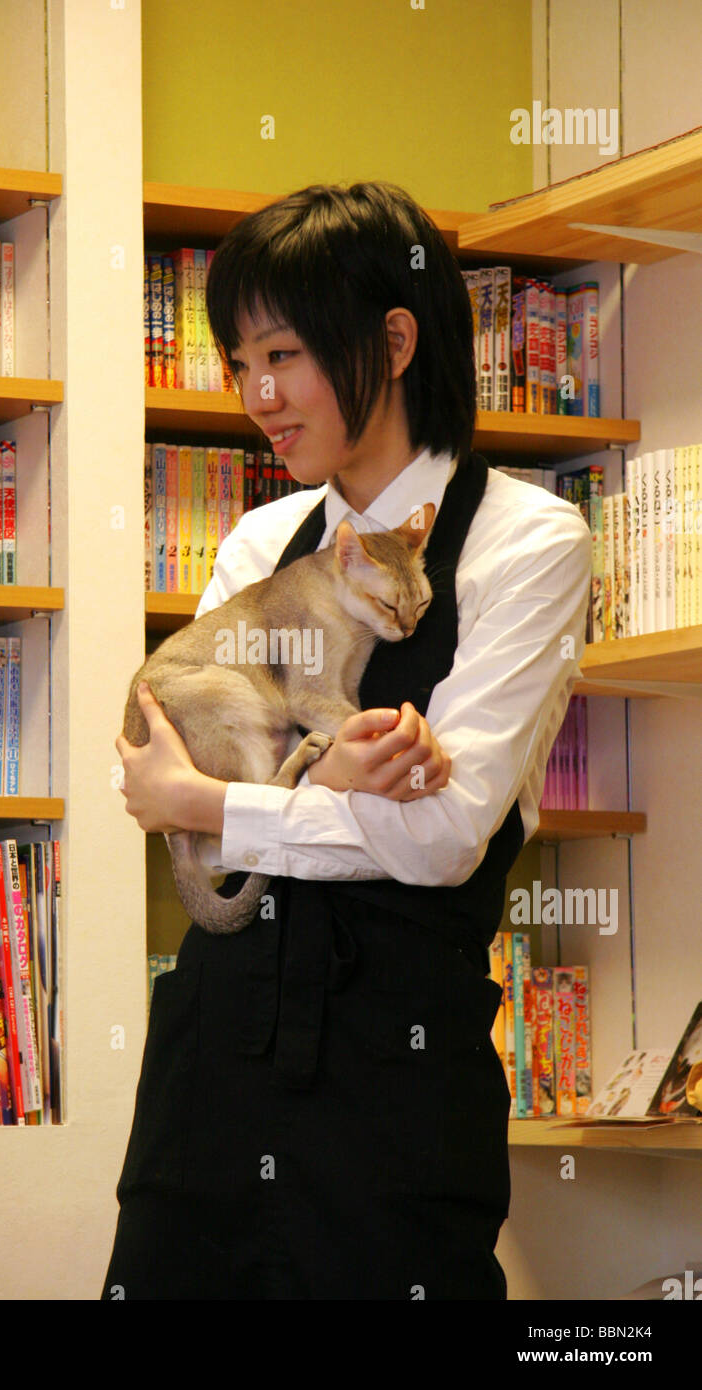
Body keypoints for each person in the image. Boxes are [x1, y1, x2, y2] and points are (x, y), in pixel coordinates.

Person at [103, 181, 592, 1300]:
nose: (256, 394)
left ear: (393, 337)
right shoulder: (262, 537)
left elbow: (438, 842)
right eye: (238, 361)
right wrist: (323, 774)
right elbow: (145, 759)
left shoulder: (527, 542)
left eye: (281, 352)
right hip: (212, 1058)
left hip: (392, 1079)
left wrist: (216, 806)